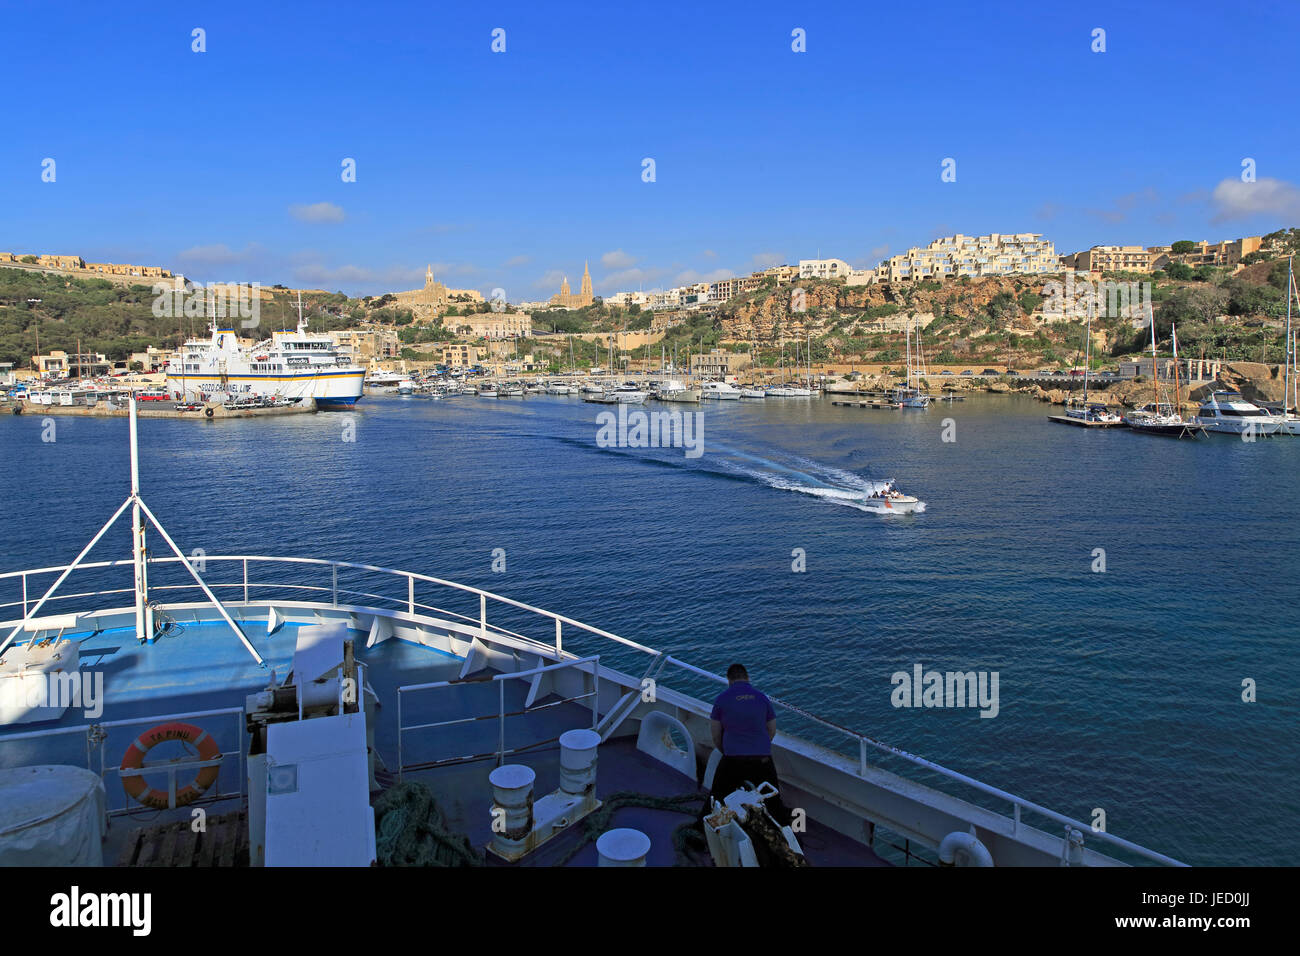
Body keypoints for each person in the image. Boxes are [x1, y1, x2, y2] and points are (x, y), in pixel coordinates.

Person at [709, 663, 792, 826]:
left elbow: (716, 735)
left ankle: (709, 829)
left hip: (732, 759)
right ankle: (785, 834)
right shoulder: (762, 698)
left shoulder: (721, 700)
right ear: (748, 678)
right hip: (762, 758)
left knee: (718, 795)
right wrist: (758, 748)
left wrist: (727, 752)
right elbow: (772, 730)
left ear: (729, 680)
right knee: (773, 800)